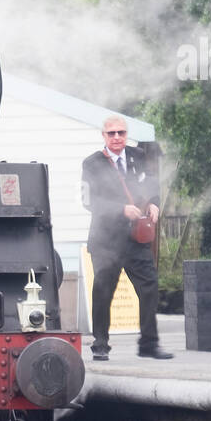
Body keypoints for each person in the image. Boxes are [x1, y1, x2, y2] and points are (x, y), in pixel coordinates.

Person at [81, 115, 172, 361]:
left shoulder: (138, 156)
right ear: (103, 136)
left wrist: (153, 203)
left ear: (126, 134)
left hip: (135, 238)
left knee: (150, 287)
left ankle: (149, 344)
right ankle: (100, 345)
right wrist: (121, 209)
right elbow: (89, 201)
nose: (117, 137)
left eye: (121, 132)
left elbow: (151, 183)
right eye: (111, 133)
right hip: (106, 240)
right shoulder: (92, 163)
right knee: (103, 292)